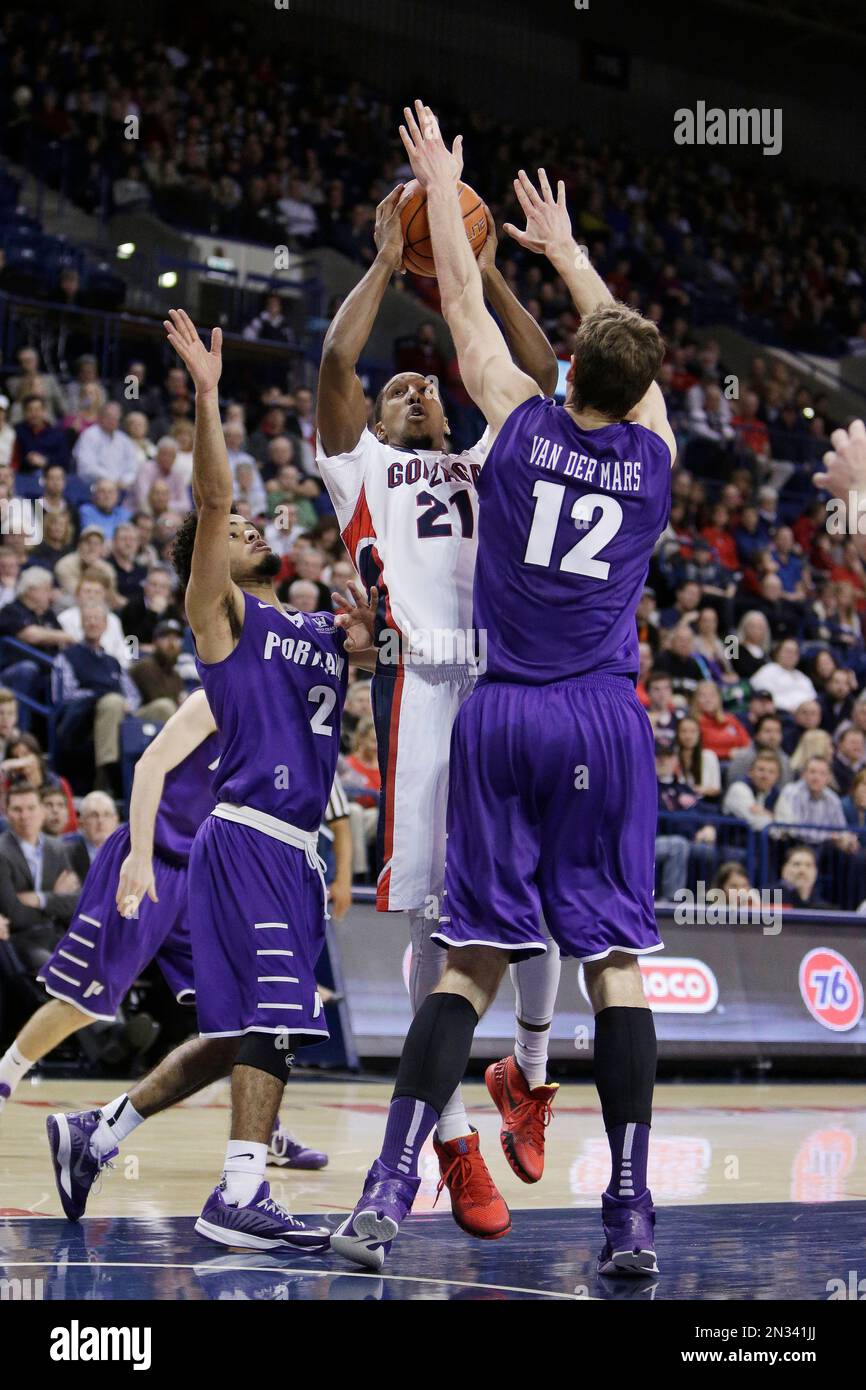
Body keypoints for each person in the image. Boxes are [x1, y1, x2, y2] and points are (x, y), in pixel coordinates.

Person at [332, 115, 675, 1278]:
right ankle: (626, 1212)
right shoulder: (654, 460)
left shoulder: (519, 431)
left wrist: (441, 192)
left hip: (500, 710)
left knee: (468, 960)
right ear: (640, 393)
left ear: (569, 373)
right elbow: (621, 366)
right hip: (601, 718)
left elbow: (469, 311)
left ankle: (385, 1186)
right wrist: (570, 257)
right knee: (614, 967)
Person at [63, 307, 373, 1253]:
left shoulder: (314, 629)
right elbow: (206, 502)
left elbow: (372, 656)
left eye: (250, 520)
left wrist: (371, 632)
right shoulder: (223, 618)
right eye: (231, 526)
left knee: (244, 1031)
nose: (243, 521)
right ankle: (238, 1192)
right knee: (277, 1019)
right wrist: (207, 397)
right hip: (246, 841)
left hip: (298, 850)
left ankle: (96, 1132)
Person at [317, 170, 564, 1241]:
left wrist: (489, 274)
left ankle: (531, 1068)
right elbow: (333, 363)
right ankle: (454, 1147)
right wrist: (383, 260)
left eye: (429, 384)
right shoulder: (360, 468)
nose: (416, 387)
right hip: (424, 695)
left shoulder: (484, 451)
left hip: (511, 692)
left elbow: (549, 378)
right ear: (374, 420)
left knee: (539, 907)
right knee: (430, 924)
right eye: (399, 387)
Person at [30, 694, 327, 1180]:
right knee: (84, 997)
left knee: (242, 1023)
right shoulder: (225, 693)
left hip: (229, 870)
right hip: (170, 860)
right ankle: (10, 1078)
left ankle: (107, 1132)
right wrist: (141, 855)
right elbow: (151, 764)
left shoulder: (296, 706)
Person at [0, 786, 80, 978]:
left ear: (42, 811)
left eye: (31, 808)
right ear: (7, 813)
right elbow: (14, 914)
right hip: (22, 940)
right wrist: (55, 899)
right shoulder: (2, 852)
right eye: (17, 809)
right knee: (63, 975)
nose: (25, 815)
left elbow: (76, 903)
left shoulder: (57, 848)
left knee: (99, 970)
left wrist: (39, 899)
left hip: (58, 935)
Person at [63, 790, 120, 880]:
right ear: (81, 823)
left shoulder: (127, 853)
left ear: (116, 821)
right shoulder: (66, 854)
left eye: (107, 814)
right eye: (94, 815)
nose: (100, 821)